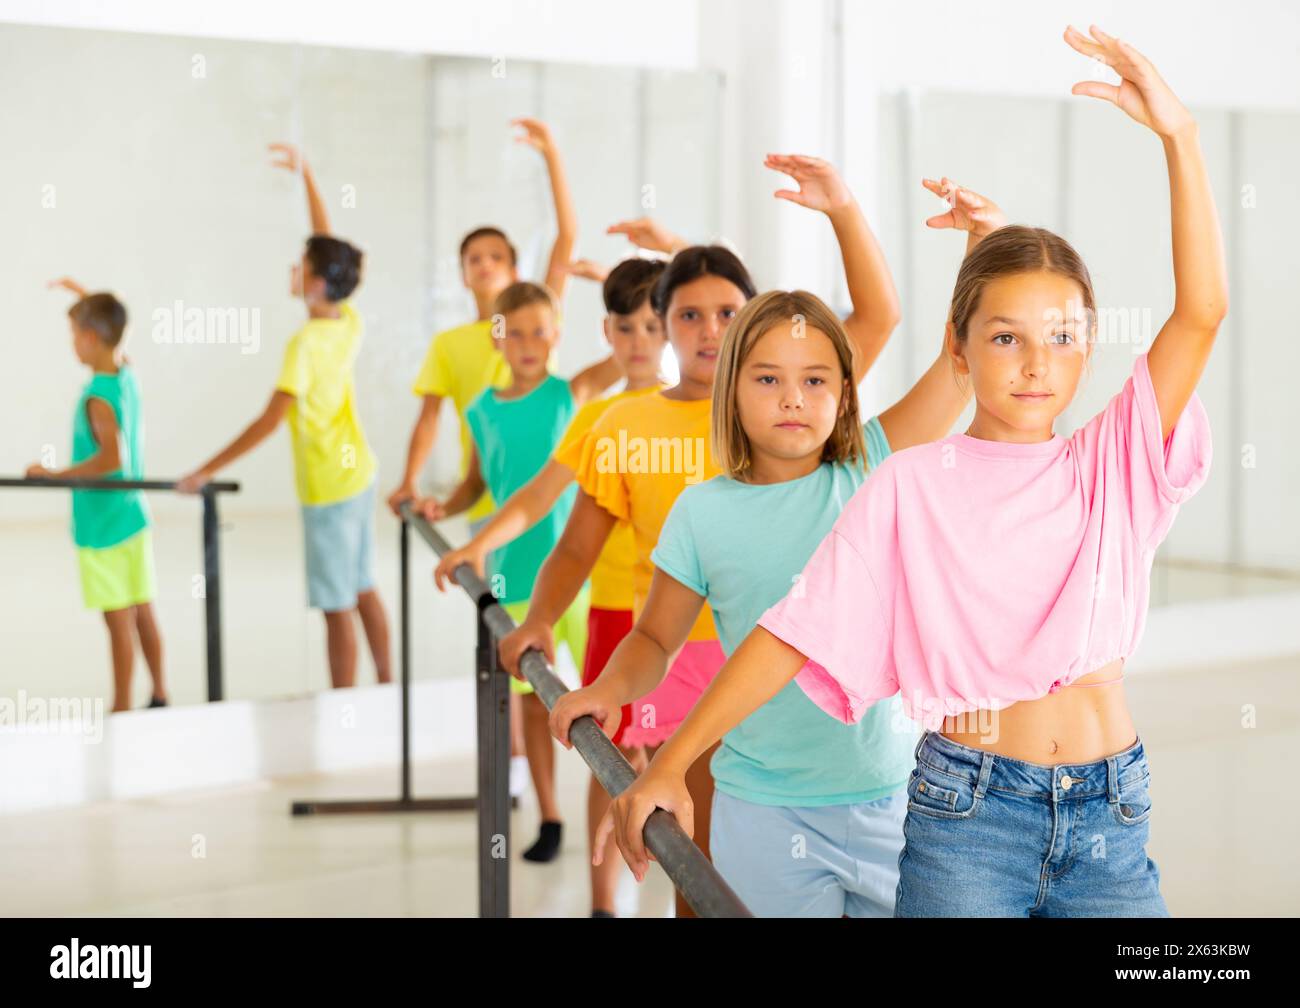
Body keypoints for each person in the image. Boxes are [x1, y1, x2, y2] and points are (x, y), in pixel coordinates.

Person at [600, 27, 1225, 919]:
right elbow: (793, 631)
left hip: (1112, 815)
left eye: (1060, 338)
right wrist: (667, 763)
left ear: (1089, 351)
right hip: (968, 816)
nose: (1035, 362)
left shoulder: (1114, 462)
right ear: (959, 349)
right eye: (1005, 336)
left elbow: (1200, 313)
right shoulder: (907, 482)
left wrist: (1181, 137)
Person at [432, 257, 668, 912]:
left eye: (655, 325)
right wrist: (475, 542)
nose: (641, 340)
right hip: (598, 595)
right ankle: (598, 895)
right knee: (608, 743)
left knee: (666, 751)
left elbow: (726, 310)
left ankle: (669, 875)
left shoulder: (695, 405)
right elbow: (532, 493)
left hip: (683, 612)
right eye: (627, 328)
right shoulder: (594, 416)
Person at [419, 279, 621, 863]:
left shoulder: (573, 393)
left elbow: (637, 344)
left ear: (557, 334)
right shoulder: (480, 410)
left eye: (542, 330)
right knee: (532, 701)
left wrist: (607, 283)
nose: (531, 343)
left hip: (579, 574)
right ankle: (551, 815)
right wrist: (445, 509)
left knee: (608, 695)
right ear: (497, 339)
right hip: (512, 575)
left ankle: (628, 813)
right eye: (518, 332)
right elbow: (478, 483)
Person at [178, 144, 390, 689]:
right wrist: (310, 177)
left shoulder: (304, 343)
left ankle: (344, 702)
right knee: (363, 586)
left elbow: (268, 421)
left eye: (303, 266)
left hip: (327, 488)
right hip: (359, 476)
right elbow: (330, 249)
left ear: (318, 283)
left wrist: (205, 468)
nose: (294, 269)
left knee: (336, 604)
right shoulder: (348, 320)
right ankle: (388, 686)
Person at [388, 118, 576, 534]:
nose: (485, 264)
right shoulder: (448, 344)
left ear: (514, 268)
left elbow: (566, 237)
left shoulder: (540, 314)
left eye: (496, 256)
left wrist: (551, 155)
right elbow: (429, 419)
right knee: (491, 597)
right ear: (463, 276)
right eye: (474, 259)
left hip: (550, 496)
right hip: (486, 494)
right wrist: (408, 481)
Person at [28, 278, 167, 712]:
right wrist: (85, 296)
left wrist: (55, 475)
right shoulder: (124, 374)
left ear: (90, 338)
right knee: (143, 611)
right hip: (132, 517)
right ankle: (160, 691)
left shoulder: (98, 397)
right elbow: (115, 328)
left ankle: (122, 705)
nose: (72, 344)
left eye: (74, 335)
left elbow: (112, 459)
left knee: (118, 621)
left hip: (104, 527)